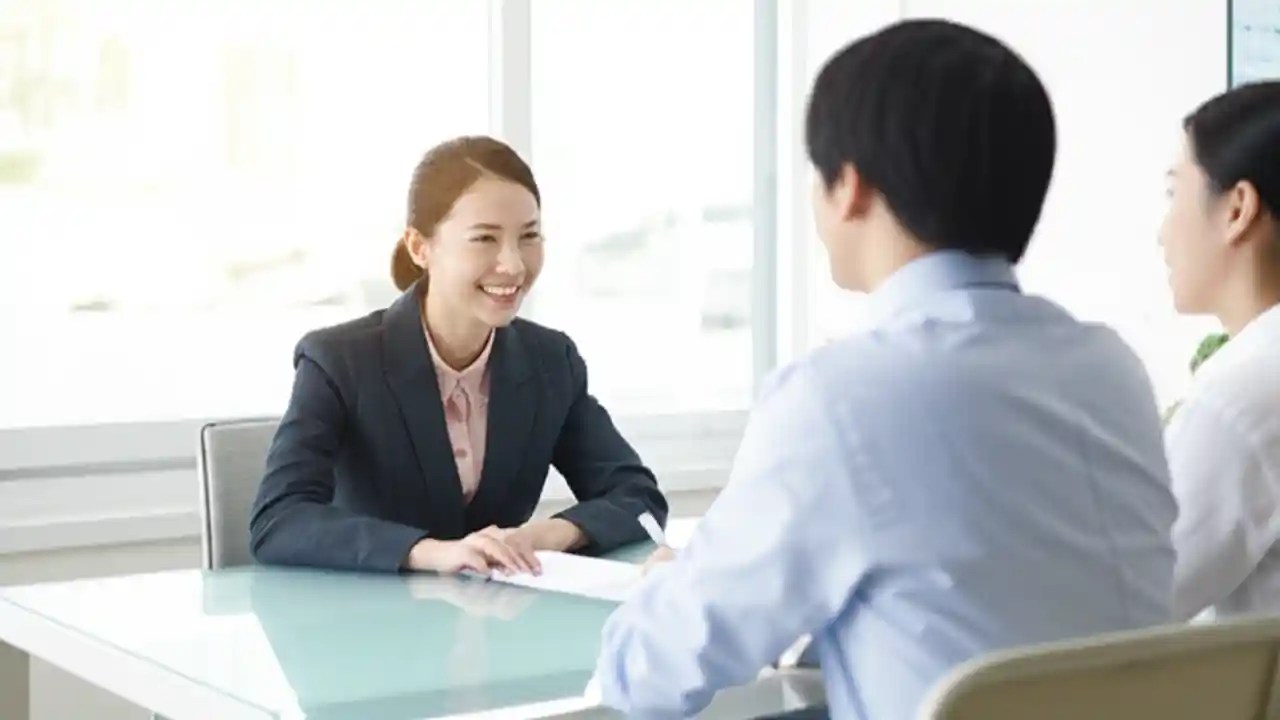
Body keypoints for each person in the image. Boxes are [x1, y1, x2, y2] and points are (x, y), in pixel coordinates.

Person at [592, 19, 1176, 719]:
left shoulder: (840, 398)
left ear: (851, 187)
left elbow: (648, 677)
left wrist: (667, 586)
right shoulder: (1111, 371)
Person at [249, 136, 668, 575]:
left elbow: (636, 497)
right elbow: (279, 520)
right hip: (368, 610)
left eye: (529, 236)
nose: (514, 265)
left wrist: (540, 537)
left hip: (500, 608)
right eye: (484, 238)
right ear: (420, 247)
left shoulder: (550, 362)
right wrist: (429, 552)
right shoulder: (339, 361)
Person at [1160, 82, 1280, 619]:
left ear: (1237, 210)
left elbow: (1125, 599)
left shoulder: (1244, 397)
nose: (1162, 233)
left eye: (1173, 193)